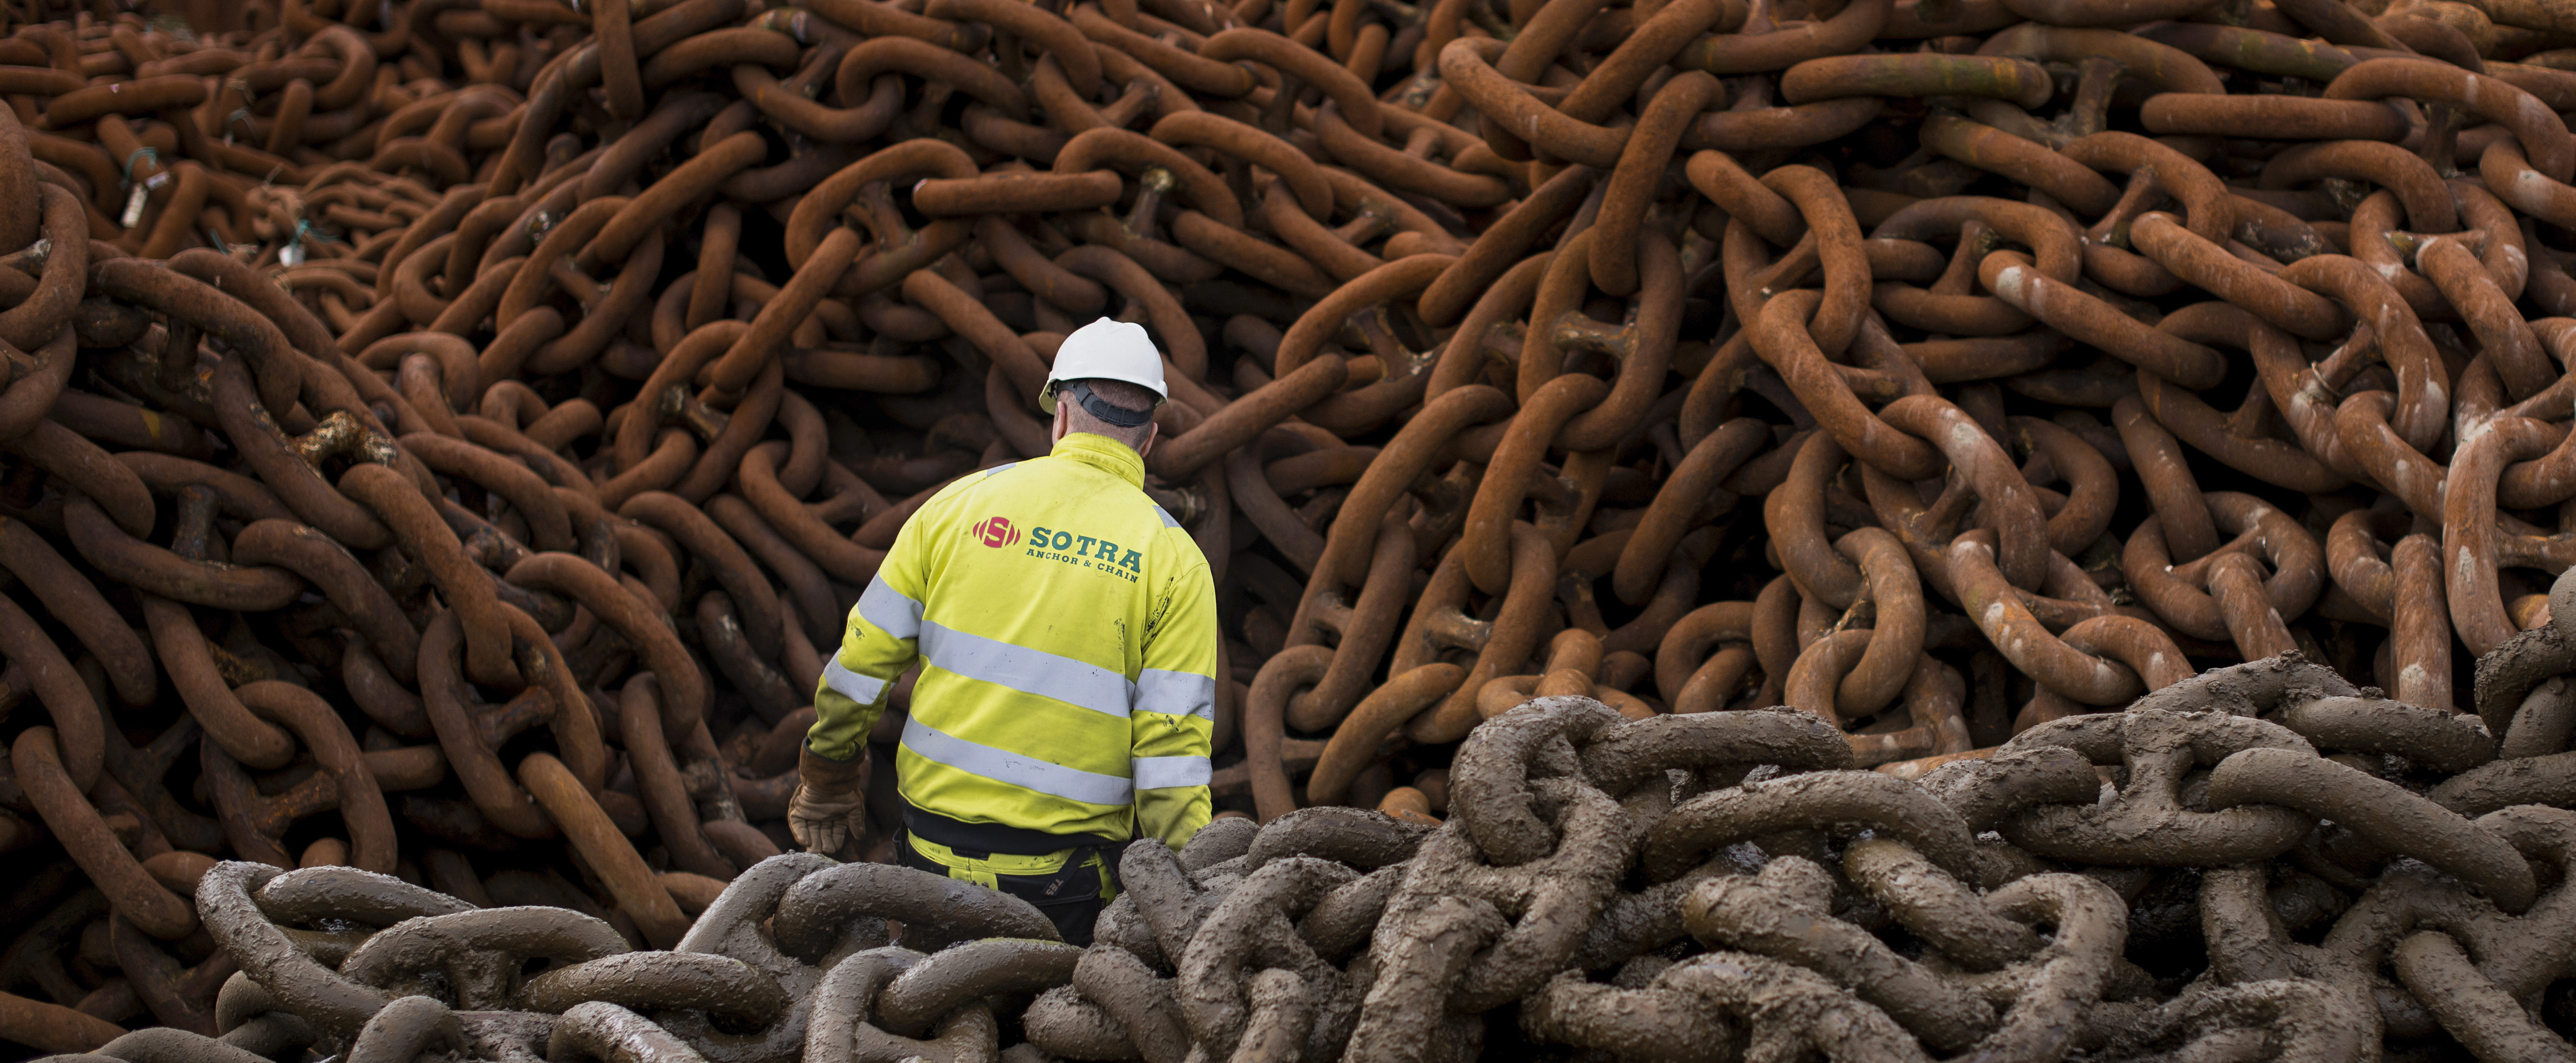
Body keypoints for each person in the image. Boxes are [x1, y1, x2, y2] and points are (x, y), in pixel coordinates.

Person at [788, 318, 1218, 944]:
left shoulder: (955, 507)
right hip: (1062, 892)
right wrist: (1184, 897)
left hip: (926, 866)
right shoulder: (1175, 560)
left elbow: (862, 663)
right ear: (1147, 440)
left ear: (1061, 416)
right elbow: (1170, 761)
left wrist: (826, 777)